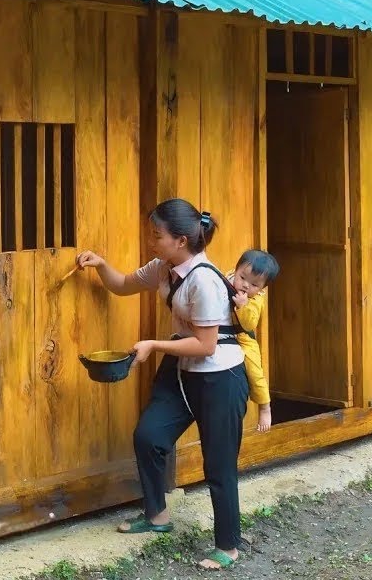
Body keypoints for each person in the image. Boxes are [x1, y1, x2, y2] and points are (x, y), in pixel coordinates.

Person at [75, 198, 248, 571]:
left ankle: (228, 545)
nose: (150, 241)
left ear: (181, 240)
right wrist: (100, 265)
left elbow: (206, 345)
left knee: (219, 463)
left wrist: (153, 345)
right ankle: (157, 515)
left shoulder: (203, 280)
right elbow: (123, 284)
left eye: (157, 235)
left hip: (220, 377)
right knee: (149, 436)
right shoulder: (163, 268)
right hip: (181, 370)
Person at [226, 249, 281, 434]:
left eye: (254, 284)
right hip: (222, 333)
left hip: (243, 337)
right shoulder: (226, 279)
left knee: (255, 371)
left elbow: (249, 324)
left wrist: (243, 306)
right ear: (236, 270)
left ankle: (265, 406)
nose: (245, 285)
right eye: (242, 277)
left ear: (262, 288)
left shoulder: (256, 300)